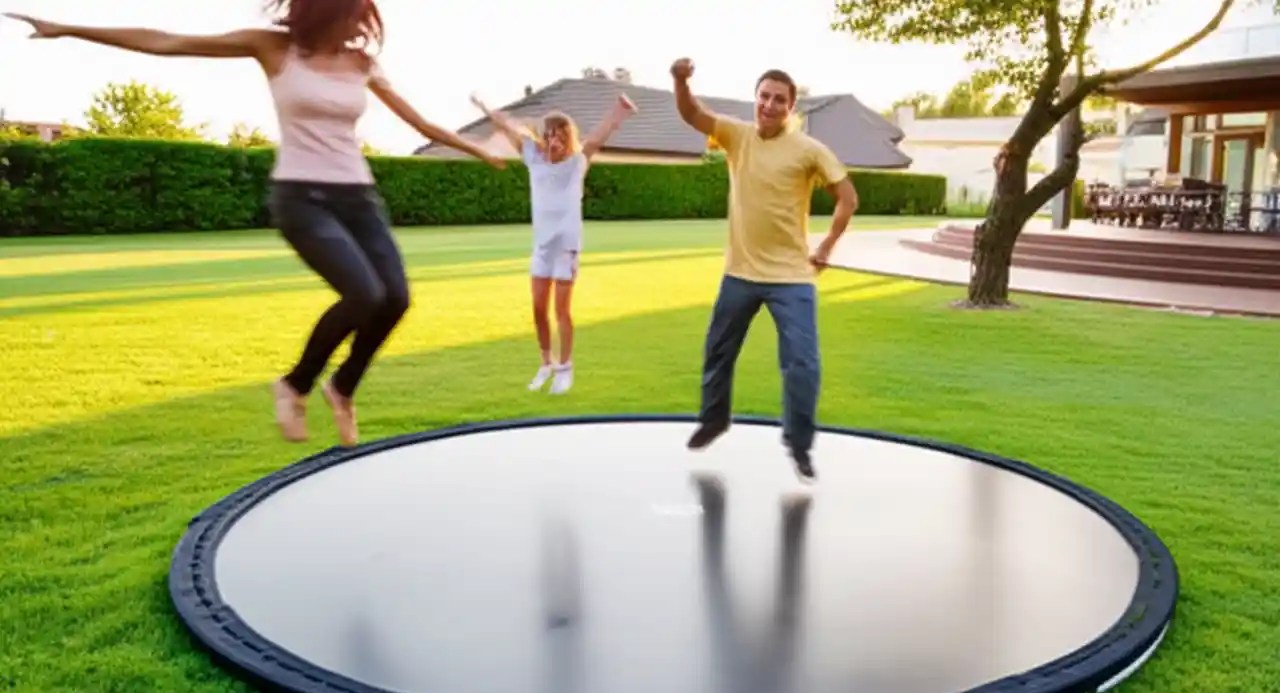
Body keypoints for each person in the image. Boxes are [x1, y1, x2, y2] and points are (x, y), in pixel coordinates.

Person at [4, 2, 507, 447]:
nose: (358, 28)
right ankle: (295, 385)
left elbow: (420, 124)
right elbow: (168, 42)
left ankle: (342, 388)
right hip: (301, 198)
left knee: (396, 298)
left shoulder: (361, 63)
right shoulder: (273, 47)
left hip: (359, 197)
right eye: (351, 15)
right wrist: (69, 29)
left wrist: (478, 149)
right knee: (363, 295)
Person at [670, 58, 858, 483]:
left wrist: (827, 244)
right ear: (756, 99)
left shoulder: (810, 150)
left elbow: (847, 197)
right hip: (739, 273)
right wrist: (680, 80)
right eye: (764, 96)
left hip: (791, 277)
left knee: (802, 364)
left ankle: (799, 445)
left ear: (791, 108)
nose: (770, 105)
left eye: (779, 100)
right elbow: (691, 113)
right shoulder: (736, 136)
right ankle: (714, 420)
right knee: (719, 351)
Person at [469, 93, 637, 394]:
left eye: (560, 135)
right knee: (537, 308)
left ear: (567, 138)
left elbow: (597, 139)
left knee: (562, 311)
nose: (553, 140)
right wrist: (485, 108)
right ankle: (545, 363)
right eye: (549, 135)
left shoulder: (576, 164)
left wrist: (618, 113)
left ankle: (565, 367)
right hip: (542, 248)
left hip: (566, 249)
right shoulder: (533, 157)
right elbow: (509, 128)